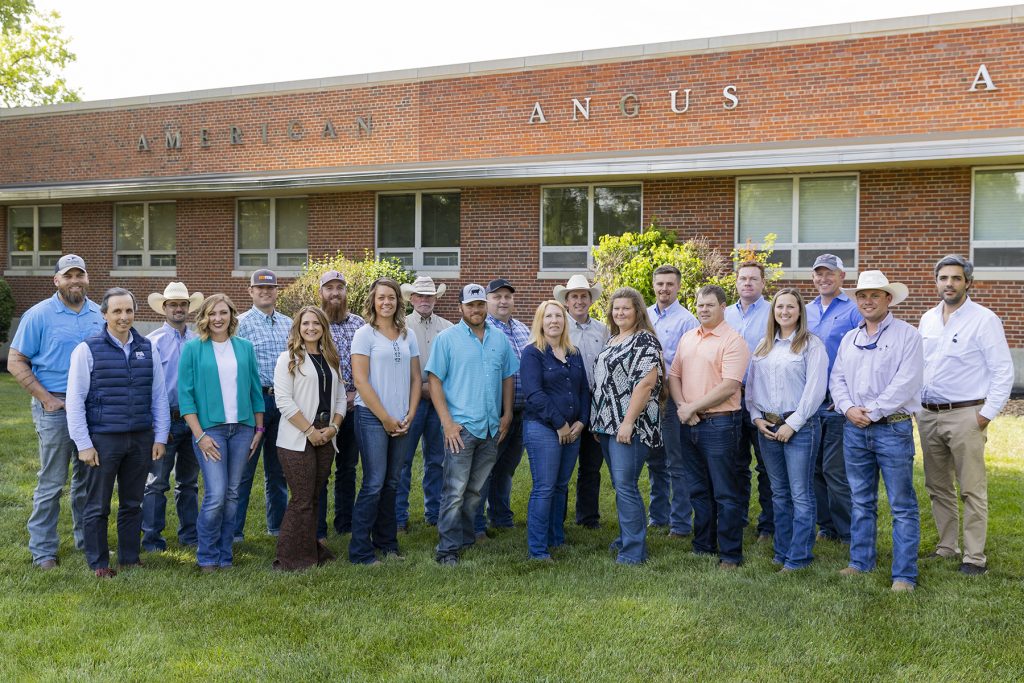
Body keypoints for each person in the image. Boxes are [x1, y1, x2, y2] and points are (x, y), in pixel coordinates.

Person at [8, 254, 104, 570]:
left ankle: (86, 541)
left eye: (80, 275)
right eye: (68, 276)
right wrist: (46, 399)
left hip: (91, 408)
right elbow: (16, 360)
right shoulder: (39, 315)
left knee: (88, 480)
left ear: (87, 278)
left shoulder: (98, 315)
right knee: (52, 481)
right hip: (56, 406)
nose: (75, 280)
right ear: (57, 280)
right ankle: (43, 550)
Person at [918, 255, 1013, 576]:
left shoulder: (984, 320)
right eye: (943, 278)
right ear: (936, 282)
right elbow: (922, 366)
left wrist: (985, 415)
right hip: (929, 415)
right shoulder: (927, 319)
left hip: (966, 415)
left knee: (972, 488)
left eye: (956, 278)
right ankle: (947, 547)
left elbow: (1003, 371)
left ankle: (974, 557)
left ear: (968, 283)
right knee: (938, 486)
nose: (949, 284)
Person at [65, 288, 170, 577]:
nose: (124, 317)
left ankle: (129, 557)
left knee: (133, 503)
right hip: (102, 440)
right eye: (117, 311)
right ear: (104, 314)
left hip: (140, 438)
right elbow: (74, 400)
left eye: (128, 311)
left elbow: (158, 396)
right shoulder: (87, 349)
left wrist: (160, 436)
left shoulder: (148, 347)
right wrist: (84, 444)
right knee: (97, 505)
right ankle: (99, 563)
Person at [830, 270, 923, 592]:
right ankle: (860, 561)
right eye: (862, 296)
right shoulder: (849, 338)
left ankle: (904, 574)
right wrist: (848, 408)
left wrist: (875, 411)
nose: (867, 301)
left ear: (888, 299)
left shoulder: (907, 336)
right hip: (855, 429)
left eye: (874, 295)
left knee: (902, 504)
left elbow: (906, 381)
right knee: (861, 500)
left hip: (892, 429)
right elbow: (837, 379)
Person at [426, 284, 518, 567]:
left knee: (475, 490)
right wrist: (447, 423)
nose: (476, 310)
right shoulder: (447, 339)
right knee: (454, 490)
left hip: (491, 427)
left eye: (480, 304)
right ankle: (447, 548)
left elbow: (508, 377)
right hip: (461, 428)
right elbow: (434, 381)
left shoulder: (499, 339)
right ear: (460, 308)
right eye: (470, 305)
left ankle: (465, 536)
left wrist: (507, 414)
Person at [178, 294, 265, 572]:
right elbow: (186, 396)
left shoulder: (244, 348)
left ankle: (225, 555)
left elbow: (255, 390)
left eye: (223, 313)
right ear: (204, 317)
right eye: (212, 314)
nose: (218, 318)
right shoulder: (193, 349)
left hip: (243, 428)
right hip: (209, 430)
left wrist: (259, 428)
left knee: (232, 494)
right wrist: (199, 435)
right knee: (215, 494)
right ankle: (206, 556)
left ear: (231, 316)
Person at [746, 289, 828, 571]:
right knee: (779, 493)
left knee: (800, 493)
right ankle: (782, 551)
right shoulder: (763, 346)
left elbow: (815, 391)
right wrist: (757, 419)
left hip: (800, 427)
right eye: (779, 306)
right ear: (773, 311)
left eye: (790, 307)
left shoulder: (811, 345)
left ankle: (799, 556)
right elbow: (752, 388)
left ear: (800, 311)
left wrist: (792, 426)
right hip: (767, 427)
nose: (784, 311)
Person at [669, 285, 750, 569]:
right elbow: (674, 375)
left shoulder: (733, 341)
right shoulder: (688, 338)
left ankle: (730, 554)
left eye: (710, 305)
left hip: (720, 424)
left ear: (723, 307)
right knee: (698, 489)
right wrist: (683, 407)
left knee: (725, 492)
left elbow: (730, 386)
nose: (704, 309)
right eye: (700, 305)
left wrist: (693, 407)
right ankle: (703, 544)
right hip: (688, 422)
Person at [349, 278, 421, 565]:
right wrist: (386, 418)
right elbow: (360, 381)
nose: (386, 302)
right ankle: (360, 550)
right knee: (374, 483)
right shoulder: (364, 335)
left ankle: (387, 544)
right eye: (381, 297)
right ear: (373, 301)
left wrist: (411, 413)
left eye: (391, 297)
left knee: (393, 482)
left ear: (398, 302)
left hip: (403, 418)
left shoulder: (408, 335)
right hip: (371, 417)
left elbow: (417, 378)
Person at [592, 287, 663, 565]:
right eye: (616, 308)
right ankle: (626, 537)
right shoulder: (612, 340)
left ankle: (633, 551)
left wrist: (628, 422)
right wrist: (600, 422)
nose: (620, 313)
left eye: (626, 308)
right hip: (608, 426)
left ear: (638, 312)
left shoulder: (645, 340)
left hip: (631, 426)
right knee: (621, 485)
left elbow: (646, 384)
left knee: (626, 486)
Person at [272, 306, 346, 571]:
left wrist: (333, 428)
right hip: (298, 437)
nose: (311, 328)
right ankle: (287, 559)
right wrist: (310, 431)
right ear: (298, 328)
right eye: (306, 324)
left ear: (324, 327)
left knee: (314, 497)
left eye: (316, 323)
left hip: (327, 435)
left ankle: (309, 550)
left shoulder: (331, 358)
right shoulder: (288, 358)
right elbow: (283, 401)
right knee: (301, 498)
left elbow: (340, 398)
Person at [520, 299, 589, 560]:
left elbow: (583, 389)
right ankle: (538, 549)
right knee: (545, 487)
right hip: (543, 428)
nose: (554, 321)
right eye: (548, 316)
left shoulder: (573, 352)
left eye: (558, 316)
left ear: (565, 321)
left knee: (561, 486)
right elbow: (534, 394)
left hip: (573, 430)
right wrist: (560, 424)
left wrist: (581, 421)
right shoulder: (532, 353)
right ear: (541, 321)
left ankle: (556, 538)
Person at [142, 282, 204, 552]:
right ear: (164, 308)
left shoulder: (199, 341)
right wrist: (157, 425)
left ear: (189, 308)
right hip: (164, 421)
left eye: (183, 304)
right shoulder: (152, 342)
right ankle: (152, 539)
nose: (178, 309)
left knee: (189, 482)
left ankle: (190, 535)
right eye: (173, 304)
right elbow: (147, 387)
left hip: (194, 422)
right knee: (156, 482)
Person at [806, 253, 862, 545]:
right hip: (811, 403)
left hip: (837, 404)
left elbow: (860, 355)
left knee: (834, 470)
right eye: (819, 274)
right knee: (814, 468)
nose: (823, 279)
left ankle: (849, 531)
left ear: (842, 277)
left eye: (830, 273)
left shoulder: (853, 310)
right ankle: (826, 526)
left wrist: (844, 396)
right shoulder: (807, 310)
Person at [235, 269, 290, 542]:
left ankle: (277, 527)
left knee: (278, 470)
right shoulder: (239, 324)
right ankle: (234, 532)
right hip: (252, 402)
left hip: (282, 402)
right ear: (251, 292)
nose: (265, 292)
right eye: (260, 288)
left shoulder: (290, 324)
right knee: (244, 469)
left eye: (270, 288)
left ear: (277, 291)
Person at [475, 278, 530, 538]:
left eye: (507, 296)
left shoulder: (522, 329)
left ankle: (500, 515)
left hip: (522, 411)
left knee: (506, 467)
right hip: (494, 411)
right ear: (487, 301)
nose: (503, 301)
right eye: (497, 297)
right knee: (484, 467)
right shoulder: (482, 330)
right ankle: (476, 523)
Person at [396, 276, 453, 530]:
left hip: (440, 402)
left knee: (437, 459)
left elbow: (453, 365)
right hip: (411, 401)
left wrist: (435, 388)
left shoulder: (449, 327)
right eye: (419, 296)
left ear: (435, 299)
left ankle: (435, 513)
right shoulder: (401, 326)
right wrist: (422, 387)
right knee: (403, 459)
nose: (424, 300)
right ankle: (398, 517)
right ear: (411, 299)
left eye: (429, 296)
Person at [645, 265, 698, 537]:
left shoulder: (687, 321)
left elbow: (690, 363)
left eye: (669, 284)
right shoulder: (646, 316)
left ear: (678, 287)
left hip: (672, 398)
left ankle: (680, 523)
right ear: (653, 286)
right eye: (660, 284)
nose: (664, 289)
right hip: (646, 399)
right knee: (654, 461)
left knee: (676, 462)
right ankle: (658, 516)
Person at [724, 260, 774, 542]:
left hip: (763, 398)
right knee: (736, 464)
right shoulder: (725, 314)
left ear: (763, 283)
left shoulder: (773, 313)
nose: (747, 283)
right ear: (737, 282)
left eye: (753, 279)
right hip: (730, 398)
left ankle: (768, 526)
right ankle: (739, 517)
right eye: (743, 278)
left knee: (766, 466)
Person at [554, 275, 608, 529]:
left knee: (591, 465)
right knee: (561, 466)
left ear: (590, 300)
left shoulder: (602, 330)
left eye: (583, 296)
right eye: (573, 296)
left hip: (596, 403)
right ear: (566, 301)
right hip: (568, 404)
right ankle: (558, 517)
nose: (579, 301)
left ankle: (588, 517)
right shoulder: (558, 328)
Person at [317, 270, 365, 539]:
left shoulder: (359, 324)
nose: (335, 293)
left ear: (346, 292)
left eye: (340, 288)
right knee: (321, 469)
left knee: (348, 467)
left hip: (355, 407)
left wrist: (353, 393)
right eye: (329, 288)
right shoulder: (312, 323)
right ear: (321, 293)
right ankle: (318, 528)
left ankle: (344, 523)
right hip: (322, 410)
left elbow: (366, 364)